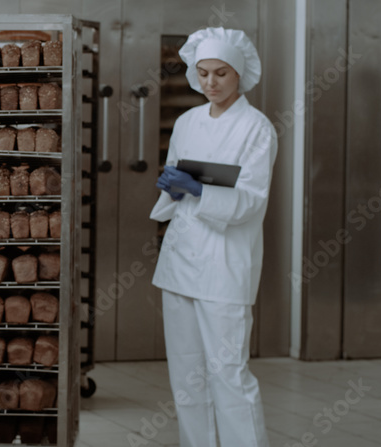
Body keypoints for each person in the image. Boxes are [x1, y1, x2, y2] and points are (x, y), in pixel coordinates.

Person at [151, 27, 276, 447]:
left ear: (239, 73)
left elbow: (252, 202)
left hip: (225, 265)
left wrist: (202, 190)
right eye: (202, 73)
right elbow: (175, 186)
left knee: (228, 372)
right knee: (186, 373)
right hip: (181, 259)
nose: (210, 83)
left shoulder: (257, 128)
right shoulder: (187, 122)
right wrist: (172, 186)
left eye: (220, 73)